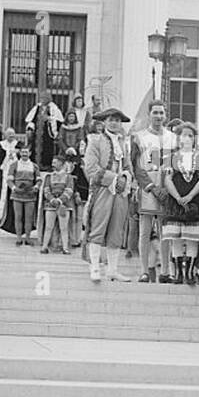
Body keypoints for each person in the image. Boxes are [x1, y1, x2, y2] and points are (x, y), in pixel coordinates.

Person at [83, 108, 136, 282]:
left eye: (118, 120)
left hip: (121, 191)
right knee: (98, 226)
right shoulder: (95, 141)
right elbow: (91, 168)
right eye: (111, 119)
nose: (114, 123)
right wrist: (114, 179)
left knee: (116, 230)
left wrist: (126, 177)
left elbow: (128, 166)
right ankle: (95, 267)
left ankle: (112, 269)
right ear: (104, 122)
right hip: (102, 190)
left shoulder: (123, 143)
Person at [133, 101, 178, 283]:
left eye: (161, 113)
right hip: (148, 190)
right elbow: (136, 165)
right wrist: (150, 187)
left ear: (165, 115)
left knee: (165, 231)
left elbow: (176, 162)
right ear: (149, 114)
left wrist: (168, 186)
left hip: (167, 188)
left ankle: (165, 271)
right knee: (144, 231)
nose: (158, 116)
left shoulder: (173, 138)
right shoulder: (139, 137)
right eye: (155, 112)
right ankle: (144, 270)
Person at [161, 124, 199, 284]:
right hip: (175, 201)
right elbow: (167, 179)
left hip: (195, 201)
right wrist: (177, 197)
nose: (187, 138)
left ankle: (189, 272)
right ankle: (177, 273)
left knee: (191, 238)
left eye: (191, 135)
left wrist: (190, 196)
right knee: (175, 237)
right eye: (184, 135)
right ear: (178, 138)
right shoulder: (171, 157)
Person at [38, 153, 79, 255]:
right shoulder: (48, 177)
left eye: (55, 162)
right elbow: (46, 190)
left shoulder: (69, 177)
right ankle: (44, 247)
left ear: (61, 163)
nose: (53, 164)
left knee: (64, 227)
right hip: (50, 205)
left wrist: (60, 200)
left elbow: (69, 190)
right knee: (48, 226)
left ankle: (65, 248)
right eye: (53, 162)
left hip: (64, 205)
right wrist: (52, 200)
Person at [7, 143, 41, 246]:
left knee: (28, 217)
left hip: (30, 195)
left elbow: (39, 180)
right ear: (20, 153)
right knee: (18, 216)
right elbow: (9, 180)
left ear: (30, 153)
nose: (24, 154)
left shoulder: (34, 166)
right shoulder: (14, 165)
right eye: (23, 152)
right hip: (17, 194)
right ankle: (18, 238)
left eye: (26, 152)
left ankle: (27, 238)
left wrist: (36, 187)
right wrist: (14, 188)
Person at [24, 89, 63, 169]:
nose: (42, 100)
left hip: (48, 134)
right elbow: (31, 119)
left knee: (47, 149)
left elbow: (59, 121)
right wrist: (30, 128)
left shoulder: (53, 108)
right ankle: (35, 165)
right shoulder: (37, 107)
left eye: (44, 98)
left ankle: (46, 166)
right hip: (37, 135)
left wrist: (49, 119)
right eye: (41, 98)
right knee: (34, 149)